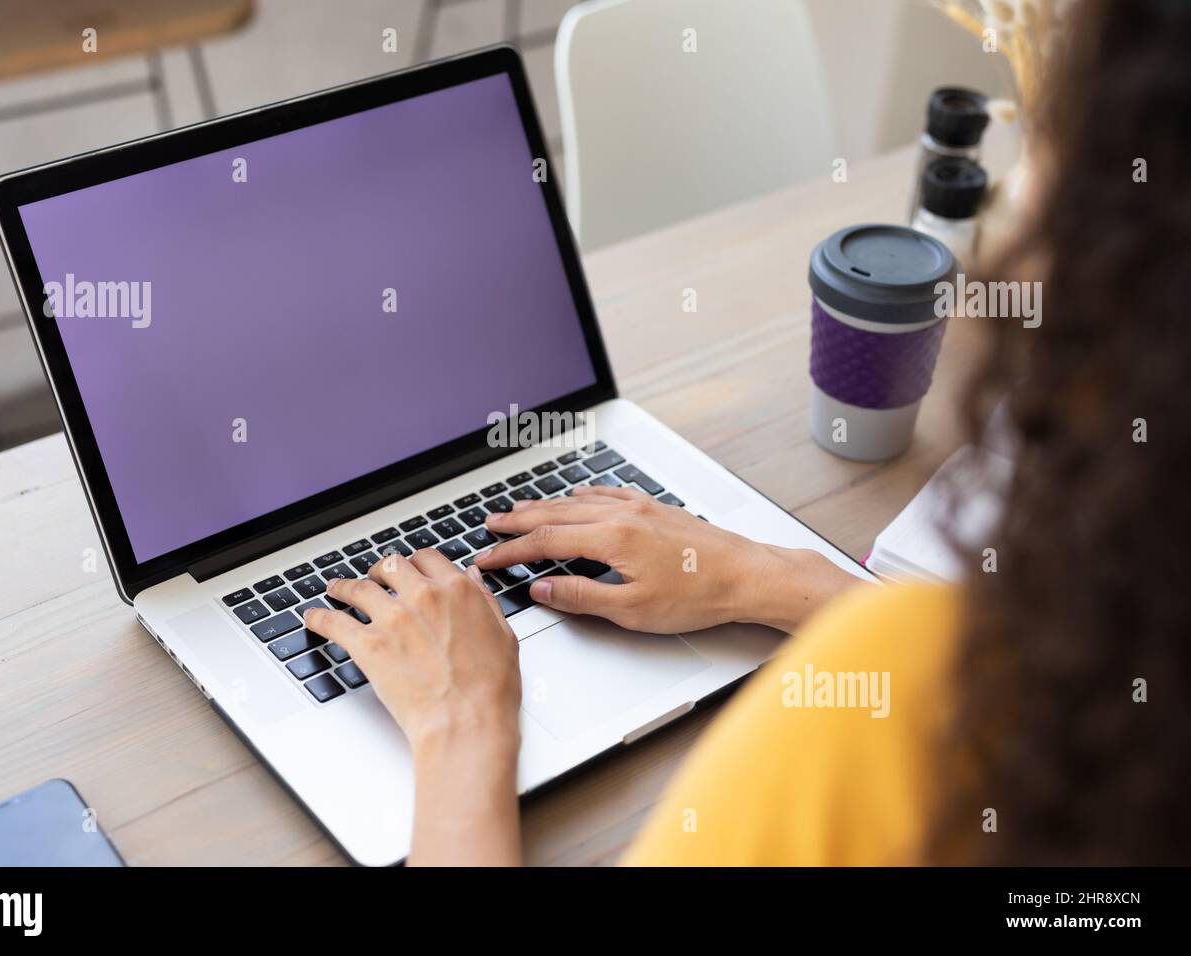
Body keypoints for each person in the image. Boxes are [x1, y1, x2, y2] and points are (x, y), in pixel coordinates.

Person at [304, 0, 1190, 866]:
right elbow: (1029, 690)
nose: (1017, 207)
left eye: (1051, 141)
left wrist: (461, 726)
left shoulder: (882, 727)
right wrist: (757, 575)